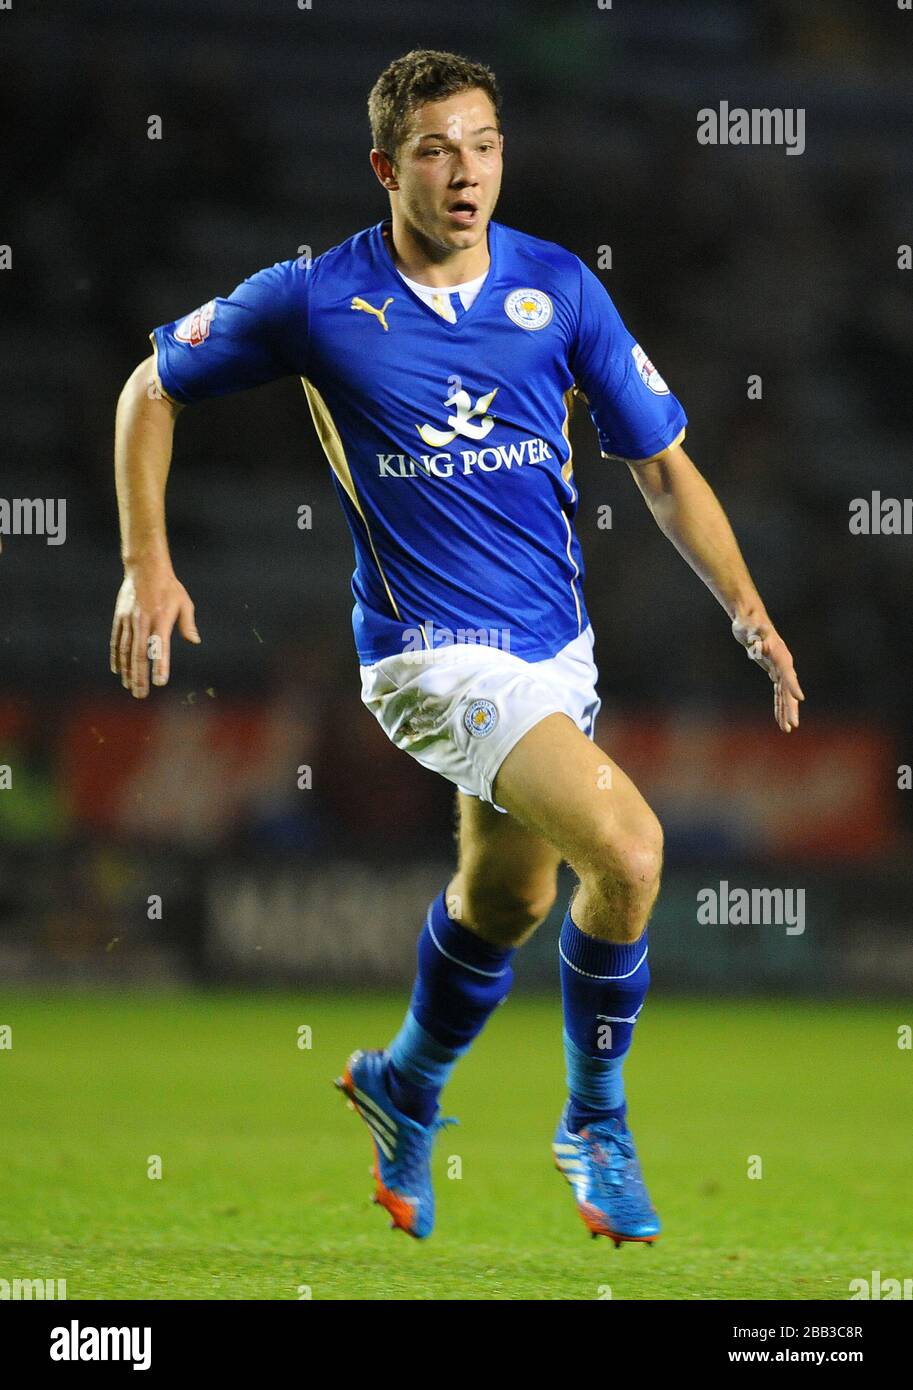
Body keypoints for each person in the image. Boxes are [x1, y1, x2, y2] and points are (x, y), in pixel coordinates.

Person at [110, 48, 804, 1245]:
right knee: (629, 852)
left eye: (482, 144)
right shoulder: (315, 296)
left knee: (508, 895)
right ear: (388, 167)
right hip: (427, 656)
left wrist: (746, 607)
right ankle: (593, 1115)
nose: (464, 170)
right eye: (435, 149)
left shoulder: (560, 290)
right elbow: (148, 388)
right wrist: (145, 562)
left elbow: (661, 466)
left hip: (551, 655)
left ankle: (405, 1082)